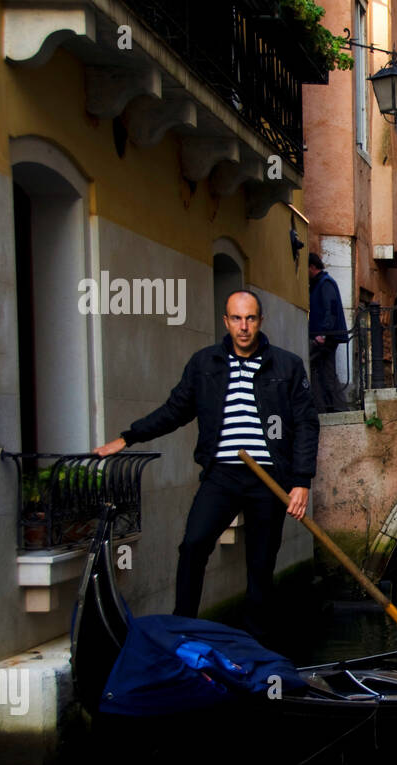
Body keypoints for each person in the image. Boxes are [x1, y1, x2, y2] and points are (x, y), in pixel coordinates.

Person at [93, 289, 319, 641]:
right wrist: (128, 437)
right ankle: (183, 630)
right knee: (194, 544)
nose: (243, 327)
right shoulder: (205, 364)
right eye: (236, 319)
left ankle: (254, 643)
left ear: (260, 321)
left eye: (250, 318)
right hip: (223, 475)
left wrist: (301, 480)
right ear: (226, 321)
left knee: (261, 564)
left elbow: (306, 423)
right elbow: (174, 411)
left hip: (269, 477)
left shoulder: (287, 366)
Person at [307, 252, 347, 413]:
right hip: (323, 336)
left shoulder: (325, 283)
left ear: (312, 267)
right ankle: (327, 406)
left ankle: (335, 408)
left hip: (327, 337)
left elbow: (331, 310)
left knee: (324, 371)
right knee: (321, 370)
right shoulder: (319, 284)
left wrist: (323, 334)